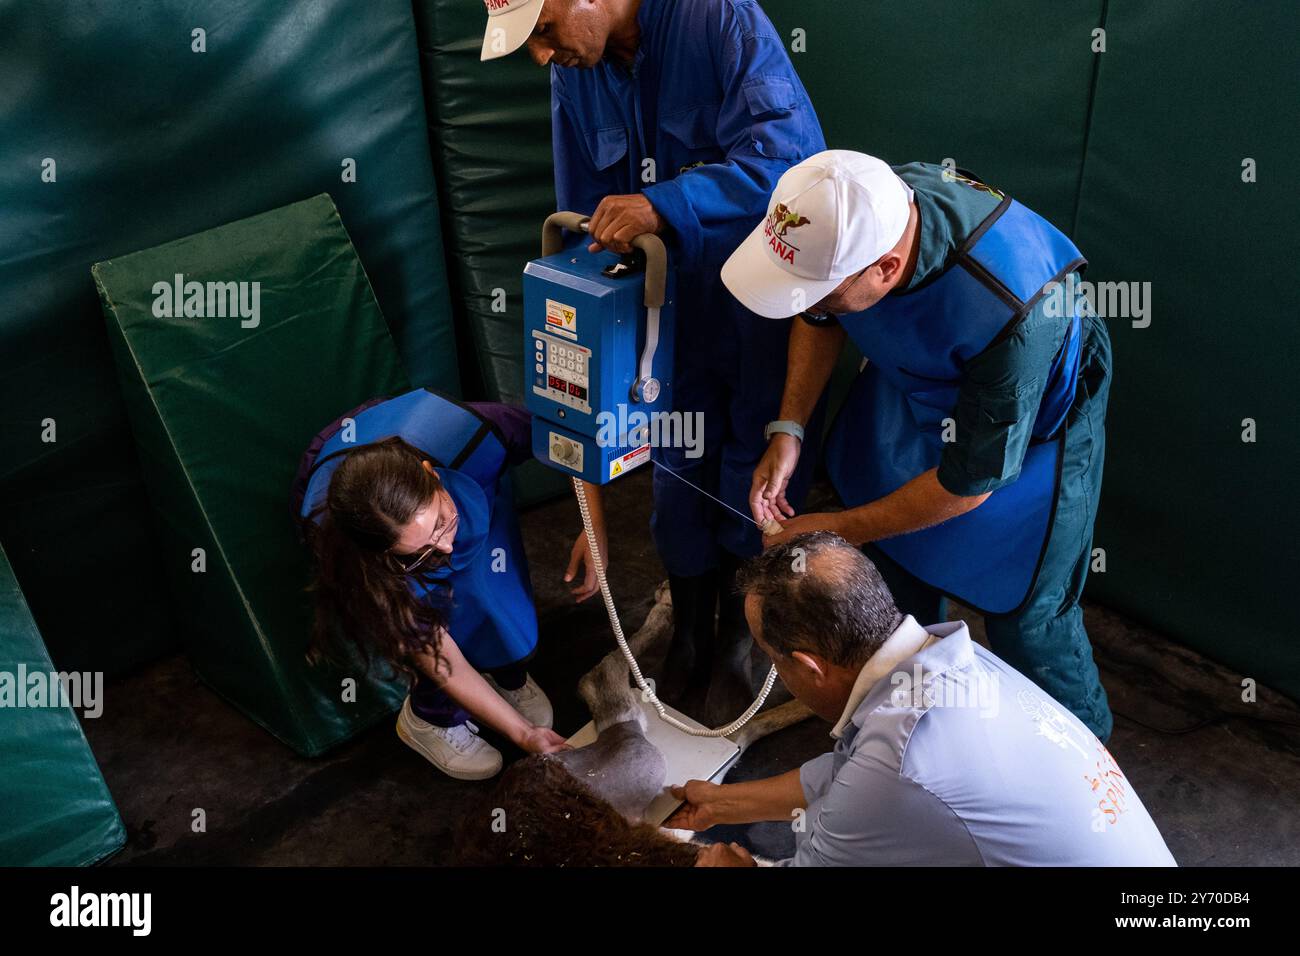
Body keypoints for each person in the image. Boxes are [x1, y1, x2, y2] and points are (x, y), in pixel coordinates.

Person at [480, 0, 828, 723]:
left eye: (543, 31)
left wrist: (664, 205)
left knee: (744, 470)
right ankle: (689, 633)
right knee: (672, 469)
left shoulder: (720, 21)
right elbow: (585, 201)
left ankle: (740, 634)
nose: (541, 55)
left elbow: (794, 170)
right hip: (656, 313)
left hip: (749, 299)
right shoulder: (577, 71)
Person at [722, 149, 1114, 739]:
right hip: (913, 385)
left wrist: (840, 528)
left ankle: (1088, 770)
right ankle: (909, 728)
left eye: (824, 292)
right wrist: (789, 430)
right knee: (893, 582)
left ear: (886, 267)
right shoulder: (852, 203)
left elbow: (968, 482)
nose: (811, 304)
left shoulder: (1015, 309)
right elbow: (817, 311)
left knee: (1030, 624)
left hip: (1028, 427)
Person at [671, 532, 1176, 867]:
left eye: (770, 657)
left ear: (808, 666)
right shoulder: (952, 658)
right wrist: (721, 804)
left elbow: (871, 790)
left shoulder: (898, 760)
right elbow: (847, 777)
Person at [291, 388, 607, 780]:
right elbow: (436, 652)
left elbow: (569, 436)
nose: (445, 545)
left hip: (458, 473)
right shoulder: (356, 556)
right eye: (421, 548)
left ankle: (506, 675)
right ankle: (430, 718)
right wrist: (525, 734)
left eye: (440, 521)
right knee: (432, 613)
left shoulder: (474, 433)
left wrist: (593, 527)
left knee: (497, 591)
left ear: (431, 473)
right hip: (360, 510)